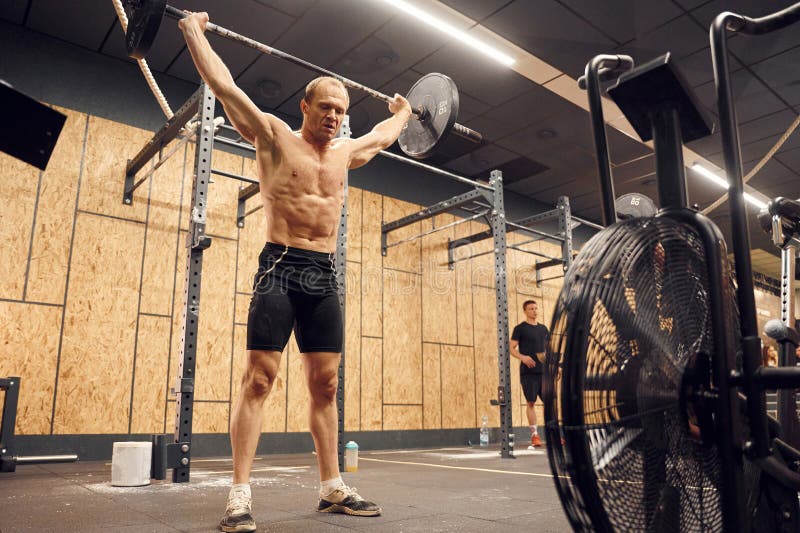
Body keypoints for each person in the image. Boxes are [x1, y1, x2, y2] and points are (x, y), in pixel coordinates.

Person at [178, 12, 412, 533]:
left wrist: (405, 111)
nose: (334, 117)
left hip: (324, 273)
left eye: (341, 111)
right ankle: (239, 495)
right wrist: (193, 31)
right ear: (305, 105)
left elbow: (382, 135)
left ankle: (331, 487)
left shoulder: (347, 153)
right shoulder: (275, 136)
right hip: (280, 266)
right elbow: (223, 84)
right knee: (260, 379)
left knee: (326, 384)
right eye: (326, 107)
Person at [510, 300, 549, 448]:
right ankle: (535, 435)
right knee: (531, 402)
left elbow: (548, 351)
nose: (534, 311)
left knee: (550, 403)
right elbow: (512, 348)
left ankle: (554, 434)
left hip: (544, 372)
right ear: (525, 311)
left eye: (536, 308)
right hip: (528, 373)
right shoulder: (520, 328)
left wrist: (555, 366)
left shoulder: (544, 329)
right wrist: (523, 357)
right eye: (531, 309)